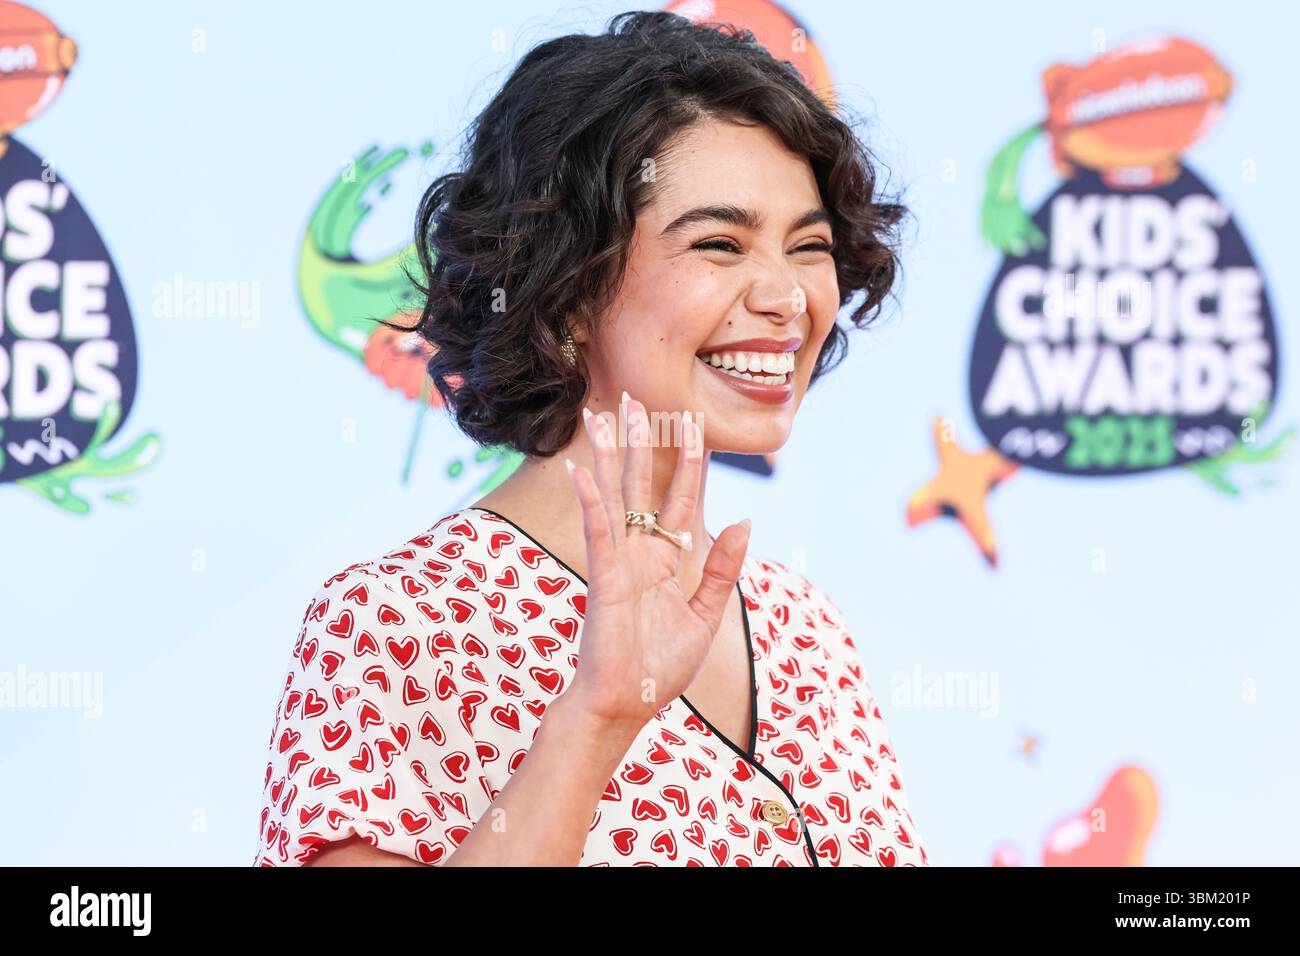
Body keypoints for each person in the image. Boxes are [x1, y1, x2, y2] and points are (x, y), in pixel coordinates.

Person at [253, 9, 926, 867]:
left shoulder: (808, 635)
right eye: (720, 244)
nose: (787, 297)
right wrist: (596, 720)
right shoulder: (399, 626)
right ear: (568, 291)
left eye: (808, 247)